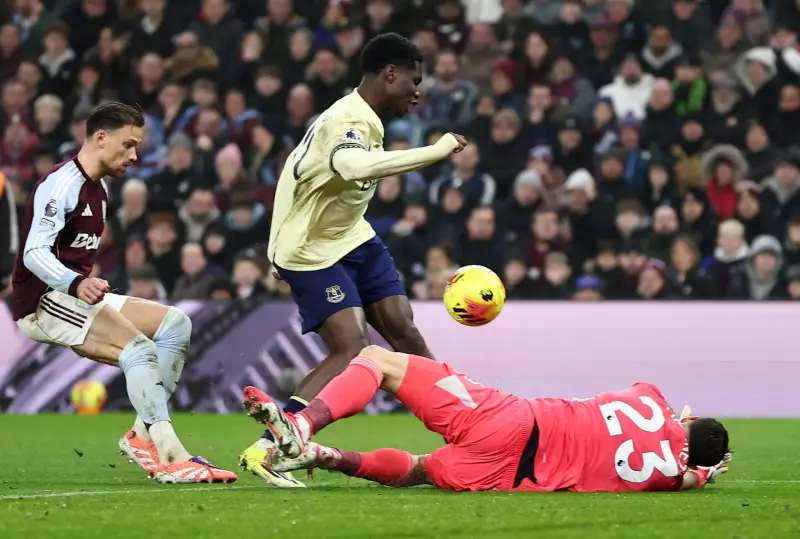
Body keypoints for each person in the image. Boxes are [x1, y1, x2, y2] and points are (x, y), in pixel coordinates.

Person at [239, 32, 468, 487]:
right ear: (390, 74)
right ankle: (269, 446)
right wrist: (438, 151)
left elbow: (295, 171)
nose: (417, 92)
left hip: (352, 238)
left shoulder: (365, 119)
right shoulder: (347, 120)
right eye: (413, 80)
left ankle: (470, 423)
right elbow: (354, 167)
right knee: (352, 350)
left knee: (405, 331)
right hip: (309, 251)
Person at [10, 102, 237, 484]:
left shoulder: (98, 187)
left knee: (174, 324)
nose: (134, 156)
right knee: (139, 350)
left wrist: (80, 285)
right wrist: (76, 282)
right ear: (101, 138)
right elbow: (33, 252)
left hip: (74, 295)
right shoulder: (62, 183)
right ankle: (170, 456)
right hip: (45, 301)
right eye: (128, 145)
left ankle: (142, 435)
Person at [243, 346, 731, 493]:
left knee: (379, 360)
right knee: (417, 470)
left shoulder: (651, 396)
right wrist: (703, 472)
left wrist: (675, 418)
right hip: (513, 476)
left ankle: (303, 426)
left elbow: (656, 409)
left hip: (512, 420)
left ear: (687, 420)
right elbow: (690, 473)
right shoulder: (670, 476)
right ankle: (322, 457)